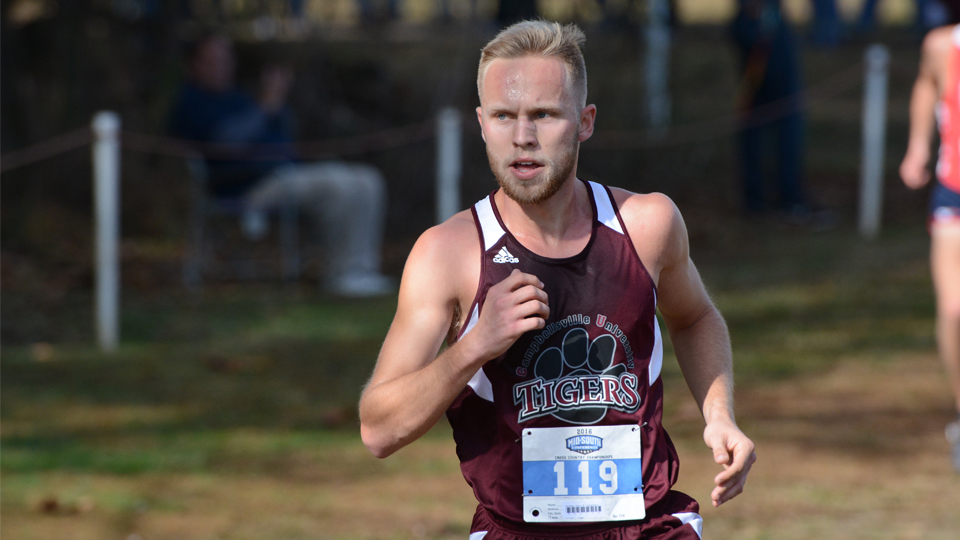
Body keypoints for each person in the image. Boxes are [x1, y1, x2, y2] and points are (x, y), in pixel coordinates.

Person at [359, 20, 756, 538]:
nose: (522, 138)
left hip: (648, 525)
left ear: (585, 121)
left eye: (543, 115)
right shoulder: (448, 253)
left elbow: (696, 316)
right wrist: (474, 344)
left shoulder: (646, 223)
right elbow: (379, 429)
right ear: (481, 123)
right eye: (504, 116)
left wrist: (719, 415)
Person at [169, 34, 394, 297]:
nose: (221, 66)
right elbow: (227, 143)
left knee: (367, 179)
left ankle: (362, 271)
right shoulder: (191, 103)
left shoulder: (238, 97)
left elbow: (284, 134)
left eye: (225, 60)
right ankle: (342, 274)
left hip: (285, 174)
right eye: (212, 61)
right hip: (245, 186)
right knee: (337, 186)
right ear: (193, 64)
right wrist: (267, 104)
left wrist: (273, 106)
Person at [899, 24, 960, 473]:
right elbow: (925, 82)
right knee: (955, 310)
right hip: (953, 192)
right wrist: (919, 144)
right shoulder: (943, 45)